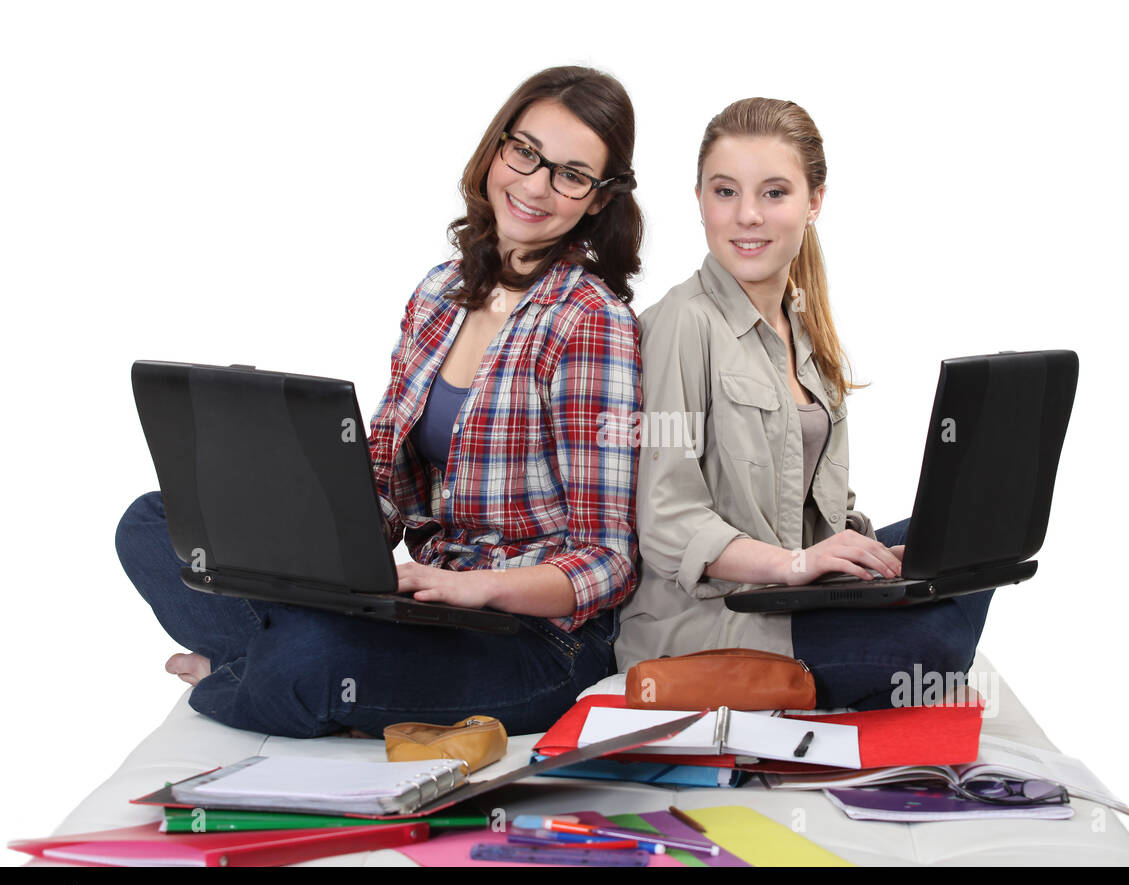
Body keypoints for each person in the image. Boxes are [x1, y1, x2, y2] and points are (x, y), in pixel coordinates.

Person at [116, 65, 643, 738]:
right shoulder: (439, 293)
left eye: (571, 174)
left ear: (597, 199)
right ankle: (269, 663)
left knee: (310, 662)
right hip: (420, 599)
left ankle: (247, 670)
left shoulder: (590, 321)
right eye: (526, 153)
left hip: (533, 638)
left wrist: (475, 586)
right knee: (155, 523)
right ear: (498, 147)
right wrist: (309, 522)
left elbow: (608, 558)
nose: (535, 185)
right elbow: (386, 477)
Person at [617, 97, 994, 710]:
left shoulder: (802, 326)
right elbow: (668, 526)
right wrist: (795, 564)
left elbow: (820, 510)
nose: (746, 217)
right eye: (725, 191)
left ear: (814, 201)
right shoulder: (682, 324)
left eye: (773, 193)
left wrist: (870, 554)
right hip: (721, 622)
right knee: (934, 645)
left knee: (967, 546)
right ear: (698, 198)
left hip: (796, 590)